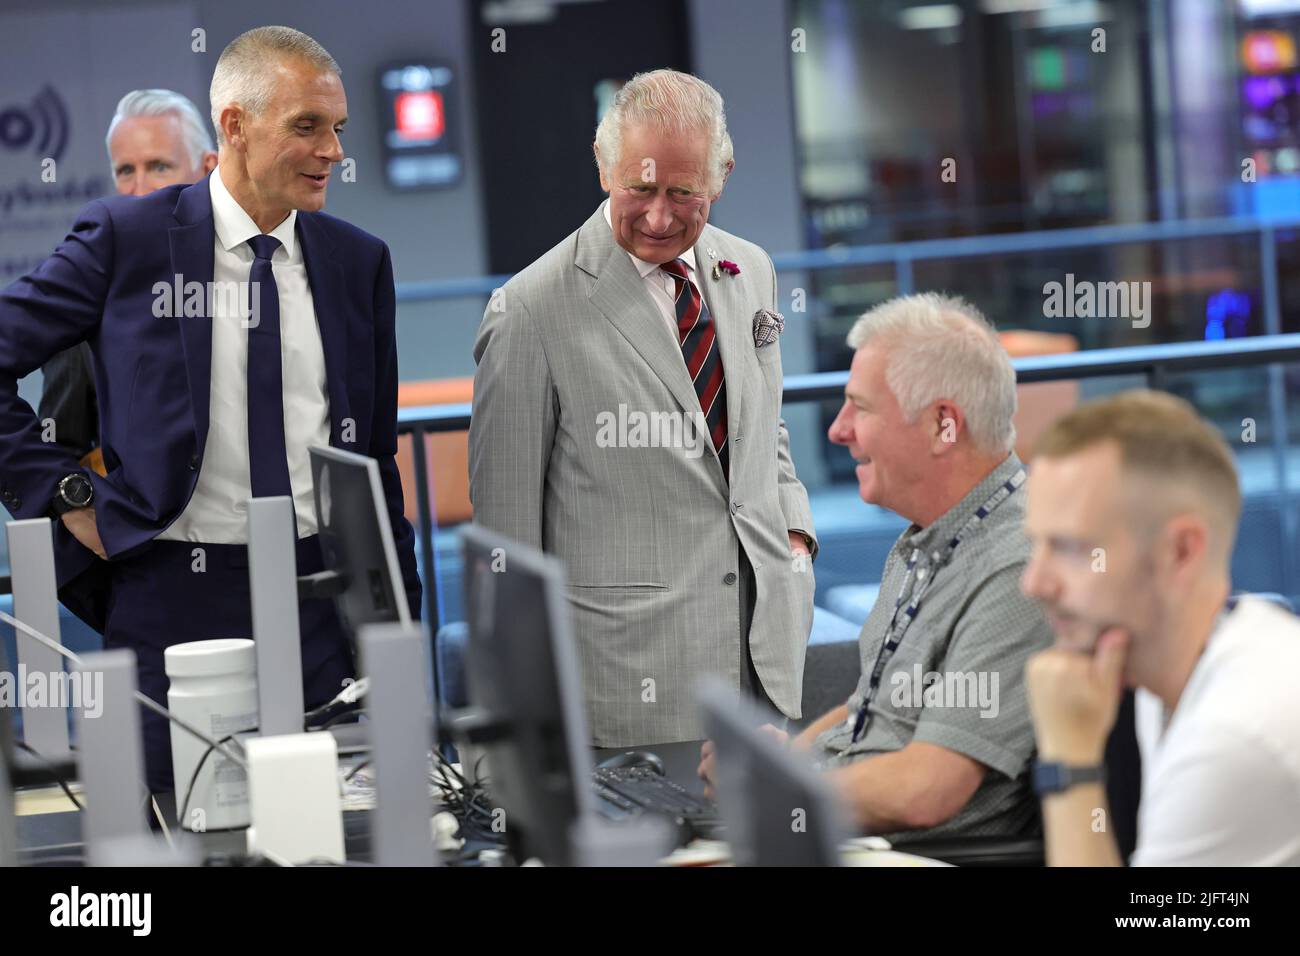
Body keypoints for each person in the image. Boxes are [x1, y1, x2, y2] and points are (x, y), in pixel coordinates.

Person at [0, 26, 420, 791]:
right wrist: (65, 492)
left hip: (321, 600)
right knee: (175, 821)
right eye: (307, 126)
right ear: (235, 125)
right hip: (172, 600)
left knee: (337, 826)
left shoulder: (358, 262)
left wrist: (401, 634)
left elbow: (375, 460)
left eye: (337, 128)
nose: (333, 150)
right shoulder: (125, 241)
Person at [469, 69, 816, 746]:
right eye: (640, 189)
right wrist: (520, 733)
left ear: (722, 177)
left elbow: (761, 429)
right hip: (629, 684)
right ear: (603, 168)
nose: (659, 217)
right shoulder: (530, 309)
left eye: (683, 194)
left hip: (764, 656)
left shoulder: (752, 269)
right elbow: (506, 540)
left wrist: (794, 535)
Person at [702, 294, 1053, 841]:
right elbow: (875, 709)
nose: (837, 430)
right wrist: (787, 760)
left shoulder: (1018, 566)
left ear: (943, 425)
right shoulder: (931, 537)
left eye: (860, 409)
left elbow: (927, 790)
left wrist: (777, 788)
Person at [1021, 389, 1300, 865]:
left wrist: (1068, 760)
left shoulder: (1233, 732)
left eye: (1070, 548)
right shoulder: (1175, 673)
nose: (1033, 583)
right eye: (1035, 545)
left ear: (1180, 552)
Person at [38, 89, 218, 471]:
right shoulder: (85, 301)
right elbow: (58, 456)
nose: (139, 190)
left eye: (159, 167)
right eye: (125, 171)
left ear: (208, 169)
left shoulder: (259, 271)